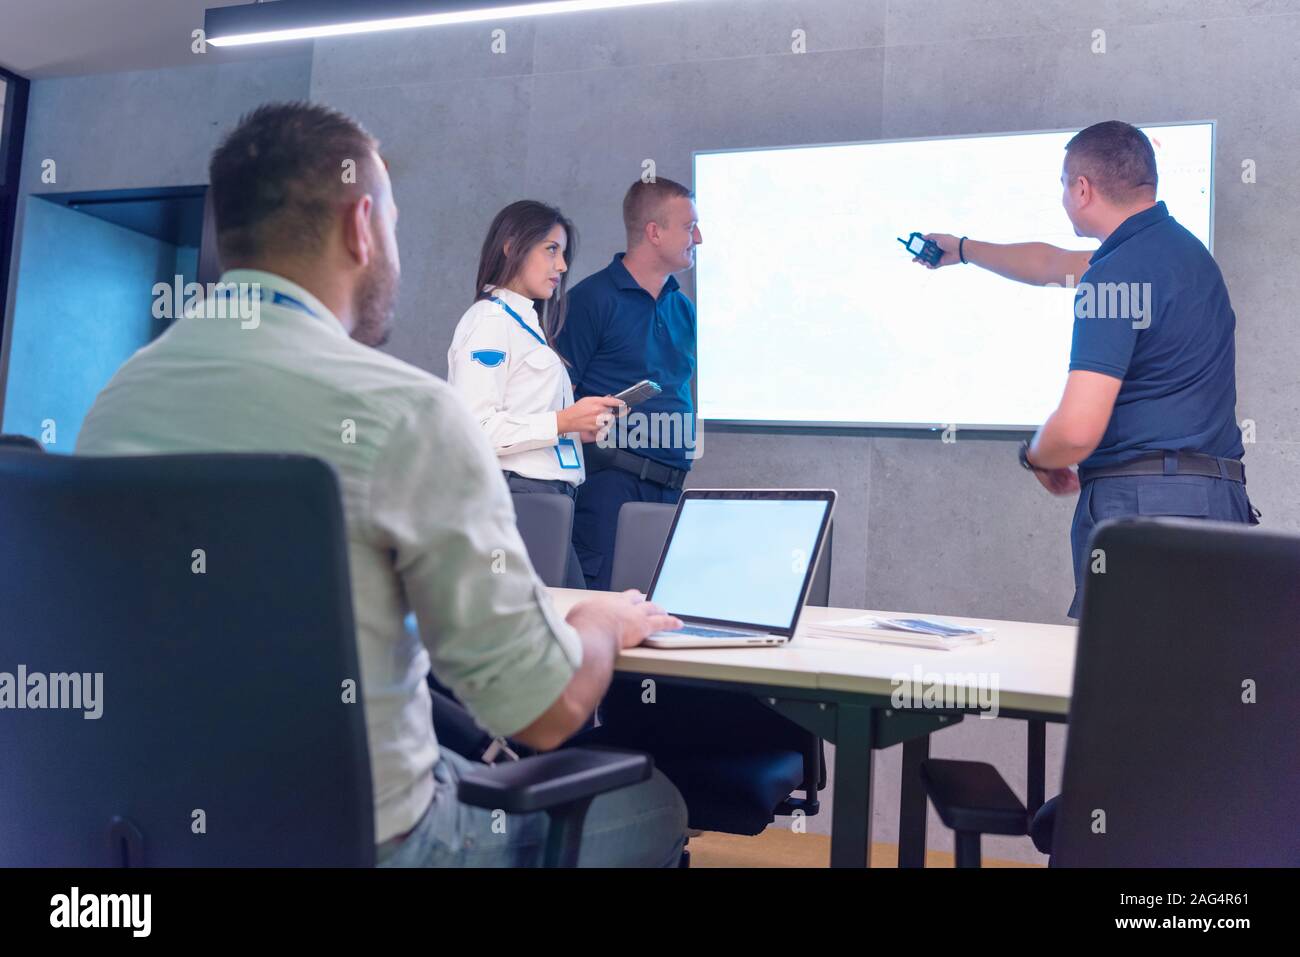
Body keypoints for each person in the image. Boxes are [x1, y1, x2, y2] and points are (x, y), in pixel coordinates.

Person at [76, 101, 687, 867]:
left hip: (156, 840)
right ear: (362, 225)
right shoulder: (407, 414)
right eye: (395, 226)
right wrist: (604, 621)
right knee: (657, 803)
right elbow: (544, 710)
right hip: (380, 842)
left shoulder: (114, 408)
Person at [919, 119, 1257, 856]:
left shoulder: (1114, 275)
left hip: (1145, 518)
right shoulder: (1178, 254)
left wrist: (1035, 456)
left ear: (1082, 187)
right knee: (1197, 724)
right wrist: (963, 251)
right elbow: (1051, 264)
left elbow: (1076, 428)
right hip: (1219, 506)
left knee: (1132, 728)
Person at [447, 200, 624, 589]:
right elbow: (474, 429)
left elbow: (522, 416)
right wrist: (561, 421)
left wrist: (574, 429)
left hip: (545, 499)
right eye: (551, 249)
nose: (561, 266)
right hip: (519, 498)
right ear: (511, 247)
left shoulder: (524, 323)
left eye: (563, 254)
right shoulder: (490, 323)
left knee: (568, 622)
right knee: (555, 627)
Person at [554, 177, 701, 591]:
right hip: (608, 491)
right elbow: (558, 398)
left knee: (661, 606)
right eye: (690, 227)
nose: (699, 238)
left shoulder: (682, 307)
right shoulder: (590, 301)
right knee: (604, 608)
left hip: (671, 490)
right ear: (654, 232)